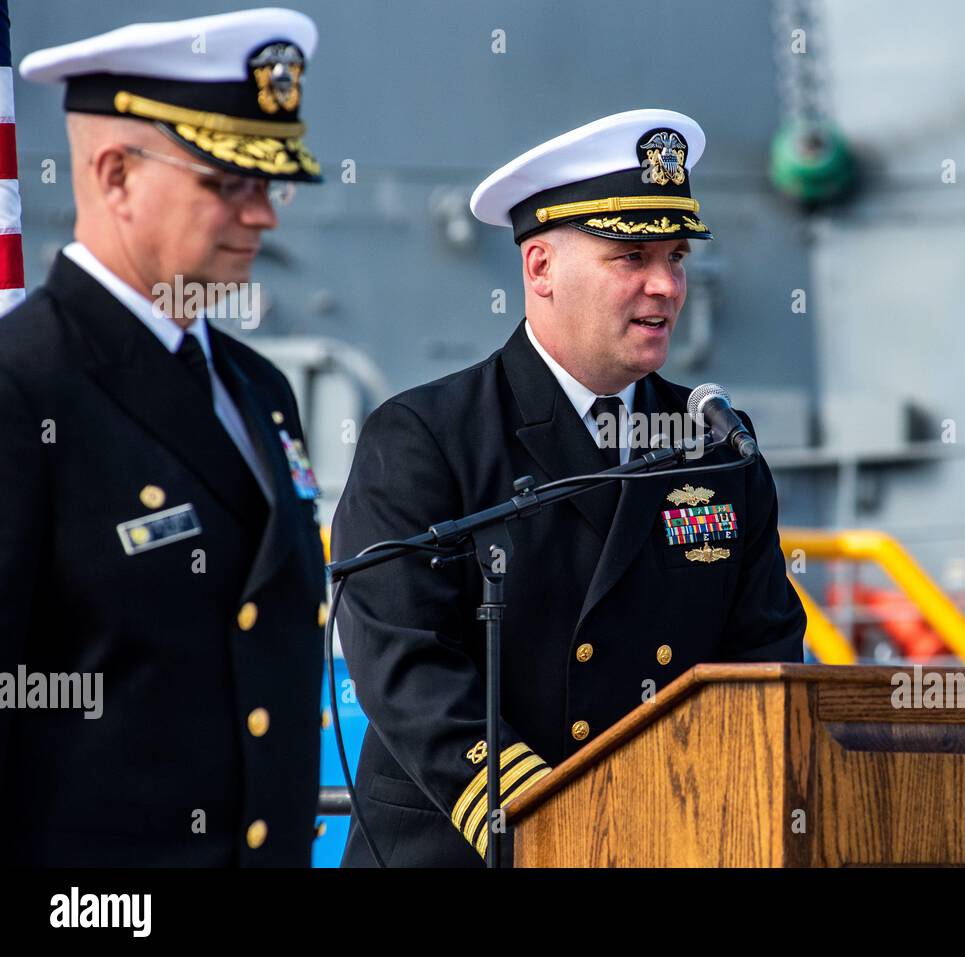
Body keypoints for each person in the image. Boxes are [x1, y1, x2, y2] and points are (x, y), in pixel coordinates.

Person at [332, 109, 807, 867]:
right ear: (541, 268)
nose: (667, 286)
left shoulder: (718, 443)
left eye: (677, 256)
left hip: (661, 844)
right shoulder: (424, 436)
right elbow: (407, 664)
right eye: (632, 255)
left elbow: (764, 652)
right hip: (473, 848)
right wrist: (549, 818)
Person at [0, 9, 328, 866]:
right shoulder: (23, 384)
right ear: (115, 175)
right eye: (229, 183)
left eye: (271, 184)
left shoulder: (259, 391)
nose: (264, 217)